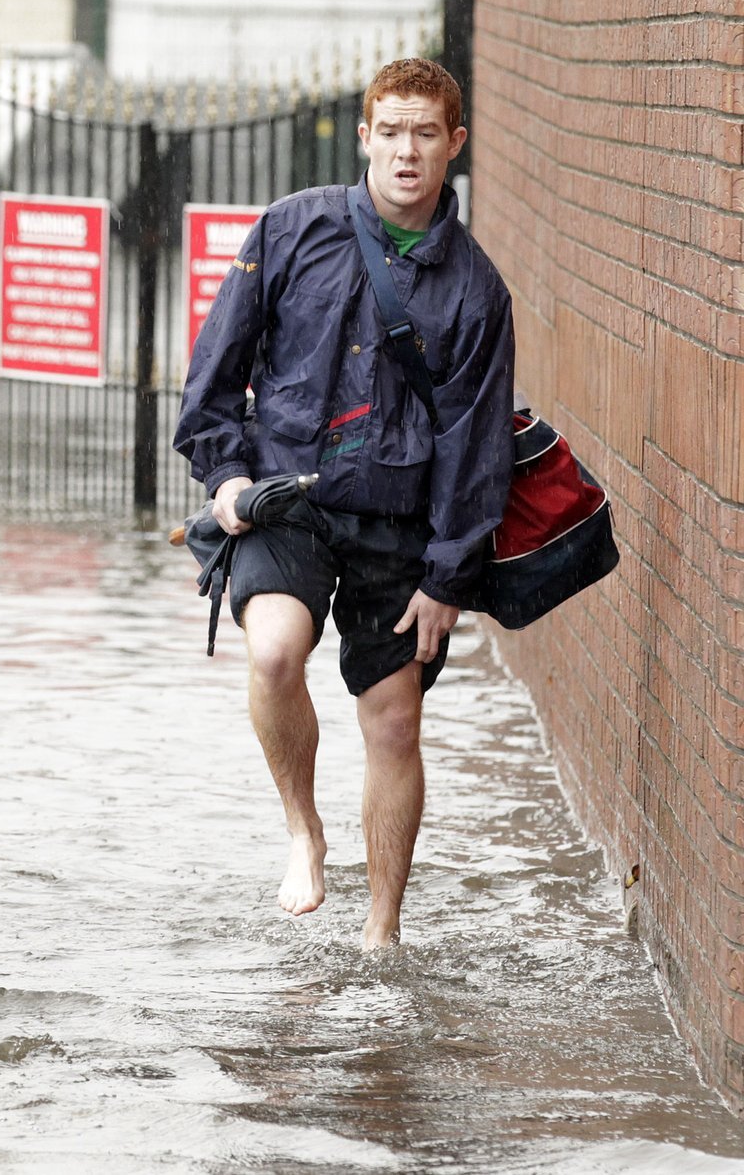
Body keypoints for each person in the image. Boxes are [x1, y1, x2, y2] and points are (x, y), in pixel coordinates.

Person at [173, 58, 515, 949]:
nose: (407, 151)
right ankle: (304, 830)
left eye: (426, 133)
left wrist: (447, 578)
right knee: (274, 652)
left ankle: (382, 932)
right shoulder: (291, 228)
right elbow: (214, 374)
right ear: (365, 136)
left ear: (455, 144)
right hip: (287, 500)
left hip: (400, 523)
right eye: (391, 131)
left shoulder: (477, 290)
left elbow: (476, 448)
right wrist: (227, 479)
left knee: (394, 720)